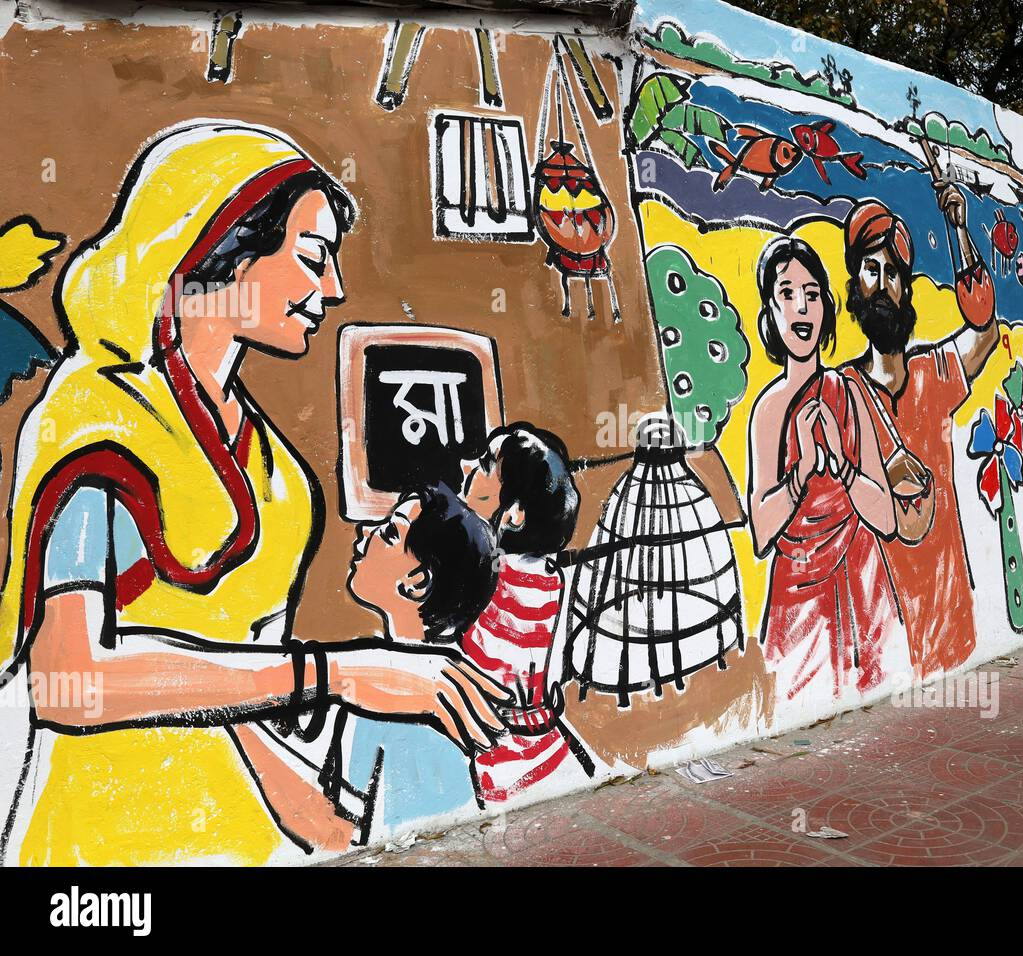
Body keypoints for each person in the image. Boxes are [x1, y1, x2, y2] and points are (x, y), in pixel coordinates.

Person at [0, 122, 508, 866]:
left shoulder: (281, 477)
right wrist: (339, 673)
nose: (332, 289)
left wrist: (313, 821)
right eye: (311, 258)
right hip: (98, 846)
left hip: (242, 839)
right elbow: (68, 678)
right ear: (224, 249)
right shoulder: (94, 417)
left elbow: (239, 698)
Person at [238, 484, 505, 847]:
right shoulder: (389, 687)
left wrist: (237, 713)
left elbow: (335, 835)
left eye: (391, 532)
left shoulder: (416, 712)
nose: (367, 531)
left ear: (416, 582)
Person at [839, 193, 998, 678]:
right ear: (856, 284)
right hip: (880, 636)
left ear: (906, 291)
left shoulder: (934, 372)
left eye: (894, 274)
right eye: (872, 270)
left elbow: (984, 330)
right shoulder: (841, 392)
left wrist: (960, 231)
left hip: (951, 619)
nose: (883, 284)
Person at [745, 237, 899, 704]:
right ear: (770, 312)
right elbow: (760, 531)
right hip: (799, 597)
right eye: (787, 294)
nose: (801, 308)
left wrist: (845, 468)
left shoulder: (849, 393)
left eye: (812, 294)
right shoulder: (769, 412)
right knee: (799, 694)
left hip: (864, 581)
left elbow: (887, 517)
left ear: (827, 308)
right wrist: (803, 472)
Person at [458, 423, 597, 806]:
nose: (469, 464)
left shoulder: (492, 577)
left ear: (514, 515)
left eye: (486, 464)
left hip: (505, 755)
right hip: (544, 738)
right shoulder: (551, 579)